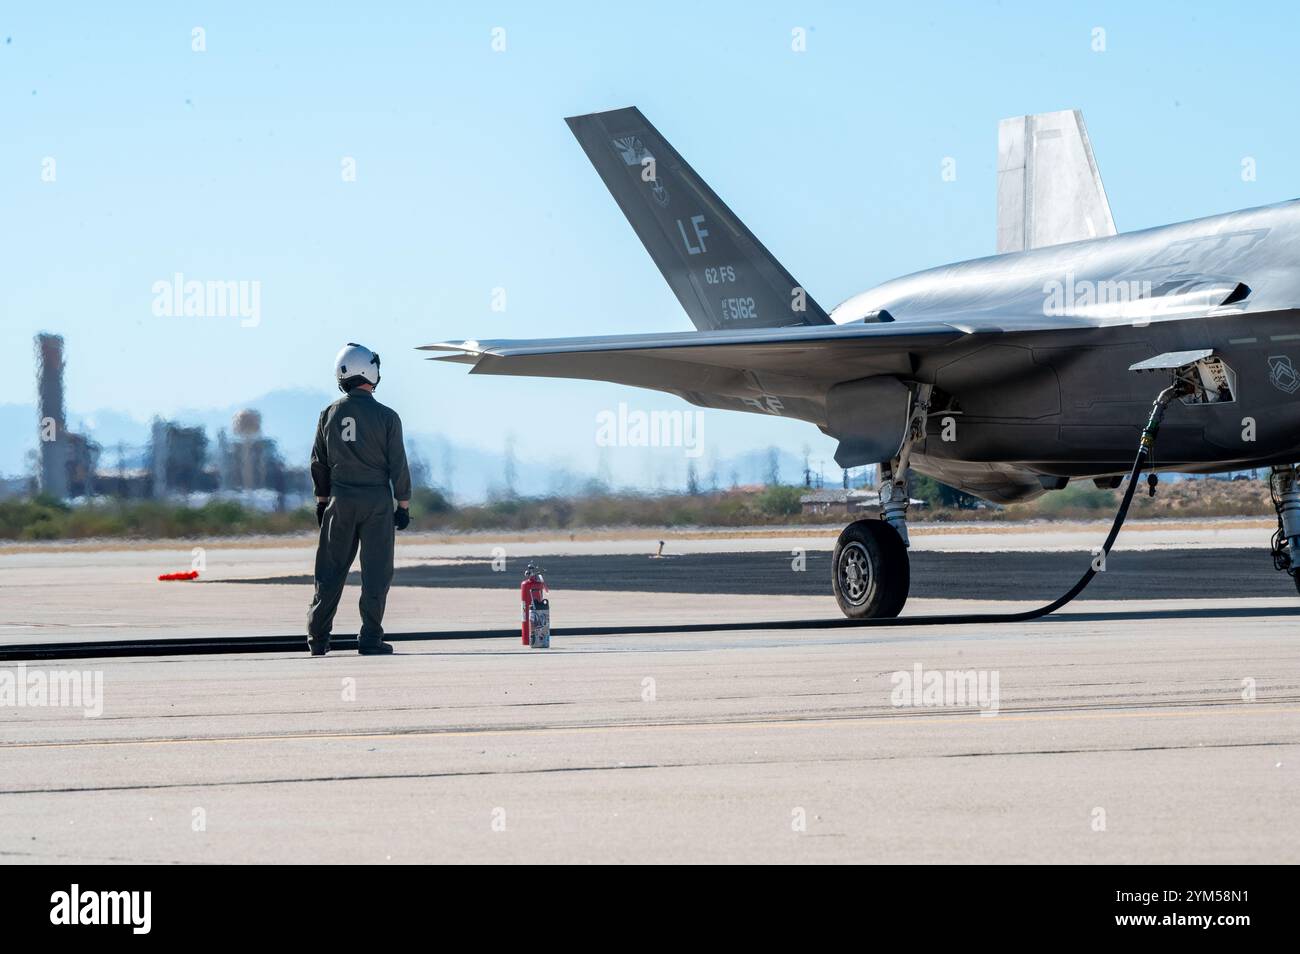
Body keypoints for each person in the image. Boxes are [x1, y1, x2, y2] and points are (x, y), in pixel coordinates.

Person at [306, 343, 412, 656]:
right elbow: (398, 464)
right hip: (376, 503)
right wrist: (403, 504)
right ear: (370, 371)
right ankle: (369, 639)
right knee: (376, 573)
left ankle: (318, 640)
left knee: (329, 572)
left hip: (340, 501)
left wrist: (322, 501)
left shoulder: (329, 413)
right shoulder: (388, 417)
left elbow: (318, 462)